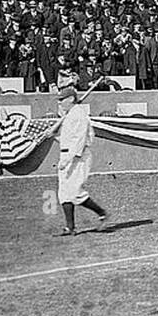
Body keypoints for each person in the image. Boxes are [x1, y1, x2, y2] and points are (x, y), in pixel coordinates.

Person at [54, 79, 108, 235]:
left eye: (62, 100)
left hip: (78, 157)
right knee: (64, 193)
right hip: (66, 154)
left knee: (75, 192)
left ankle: (102, 213)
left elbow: (79, 141)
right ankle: (70, 227)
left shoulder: (79, 115)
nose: (60, 103)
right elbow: (68, 139)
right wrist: (53, 135)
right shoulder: (70, 114)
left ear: (71, 99)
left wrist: (69, 159)